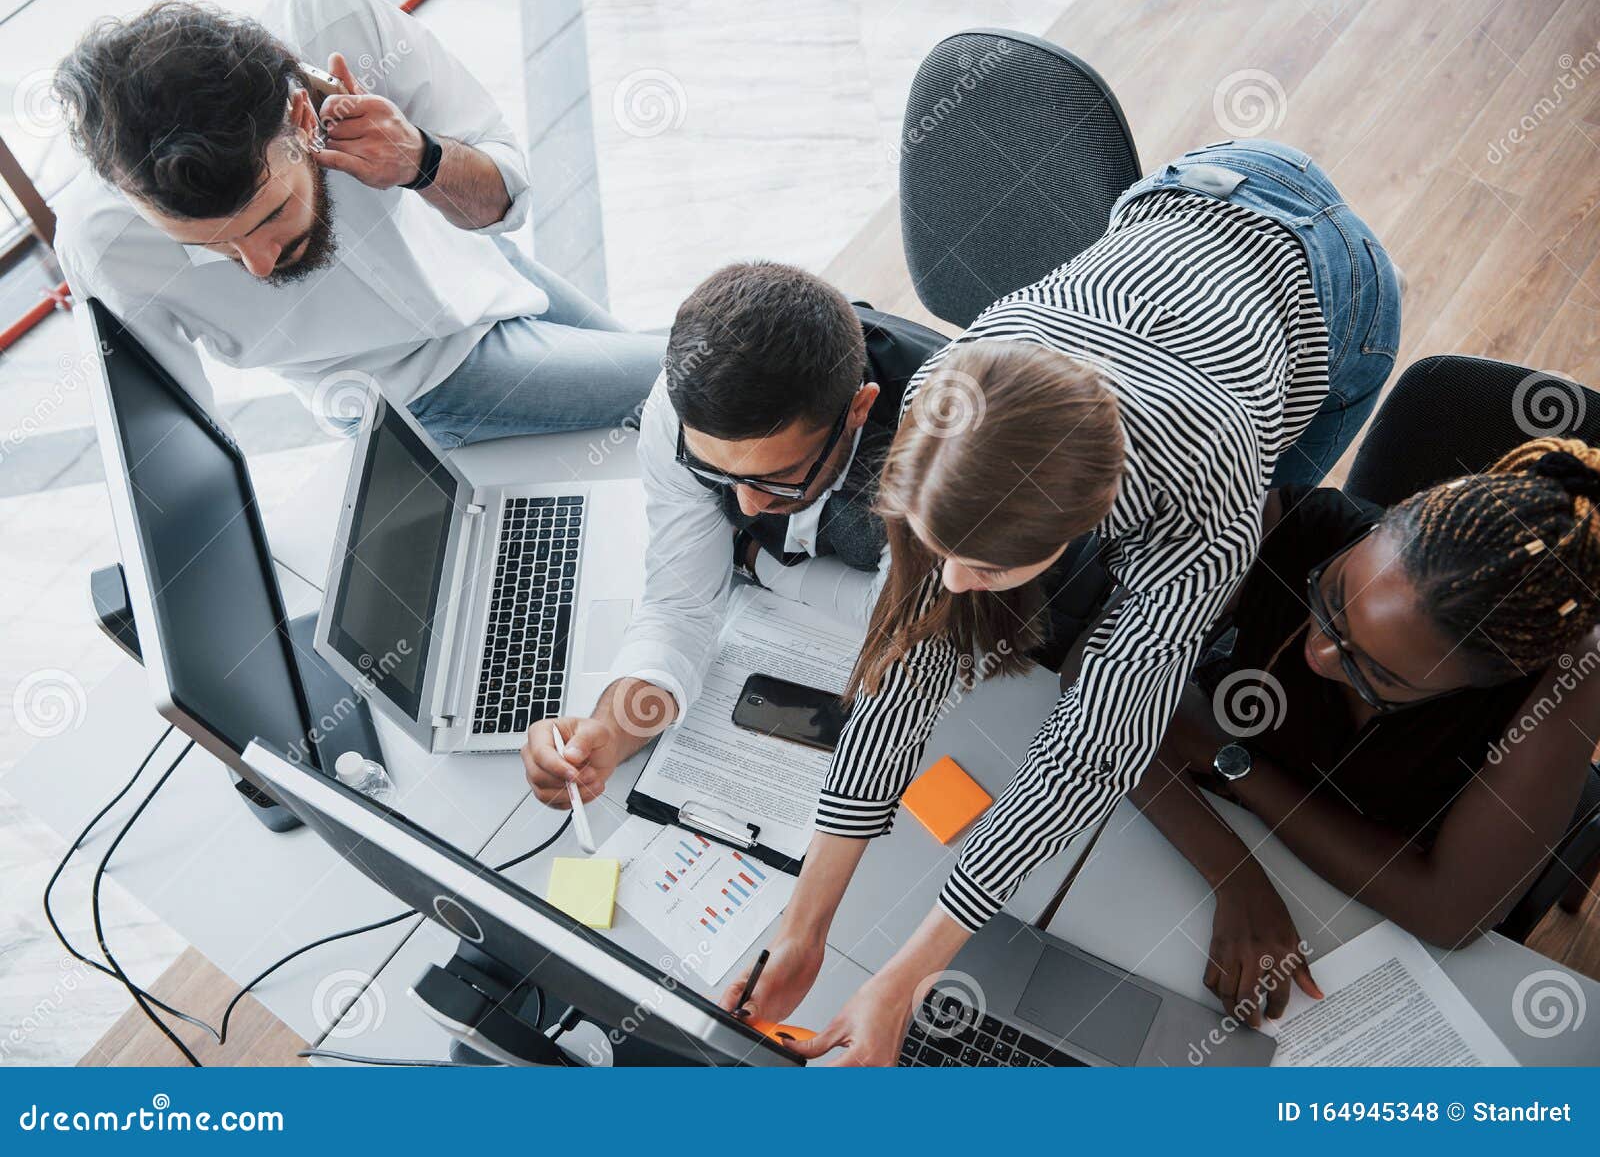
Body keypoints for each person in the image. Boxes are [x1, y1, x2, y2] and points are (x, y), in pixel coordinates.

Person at [719, 139, 1403, 1065]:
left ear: (1087, 521)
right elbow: (906, 658)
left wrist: (912, 969)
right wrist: (805, 924)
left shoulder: (1210, 478)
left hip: (1325, 286)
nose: (954, 580)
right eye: (942, 548)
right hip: (1180, 197)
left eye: (990, 566)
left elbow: (1092, 749)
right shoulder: (943, 396)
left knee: (1266, 536)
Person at [1127, 437, 1600, 1025]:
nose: (1320, 653)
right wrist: (1236, 876)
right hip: (1170, 853)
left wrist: (1234, 761)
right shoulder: (1296, 523)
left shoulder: (1558, 686)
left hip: (1355, 932)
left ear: (1495, 677)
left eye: (1375, 674)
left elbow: (1449, 913)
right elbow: (1097, 683)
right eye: (1332, 598)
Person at [50, 0, 661, 445]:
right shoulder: (101, 239)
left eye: (269, 215)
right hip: (401, 389)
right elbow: (176, 429)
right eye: (216, 250)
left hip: (485, 272)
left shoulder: (338, 22)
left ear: (299, 118)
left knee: (701, 393)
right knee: (698, 389)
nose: (259, 265)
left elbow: (506, 201)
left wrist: (422, 160)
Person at [519, 261, 945, 801]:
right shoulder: (686, 414)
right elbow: (681, 605)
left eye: (780, 477)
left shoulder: (939, 461)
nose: (747, 504)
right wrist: (611, 727)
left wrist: (754, 562)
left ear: (859, 409)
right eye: (714, 472)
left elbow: (903, 628)